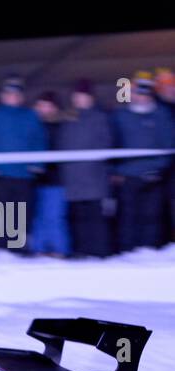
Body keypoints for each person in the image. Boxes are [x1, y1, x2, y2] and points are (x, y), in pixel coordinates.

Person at [0, 77, 47, 253]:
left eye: (15, 94)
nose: (12, 97)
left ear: (21, 96)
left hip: (24, 174)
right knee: (2, 212)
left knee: (23, 213)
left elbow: (38, 140)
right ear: (3, 96)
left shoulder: (31, 116)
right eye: (8, 94)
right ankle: (1, 249)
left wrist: (37, 163)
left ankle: (20, 247)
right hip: (1, 174)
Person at [112, 75, 174, 251]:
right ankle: (127, 251)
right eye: (138, 94)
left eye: (146, 95)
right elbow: (112, 142)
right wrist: (115, 170)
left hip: (153, 177)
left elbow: (168, 144)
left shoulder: (162, 116)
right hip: (127, 176)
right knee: (127, 216)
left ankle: (148, 251)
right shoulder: (120, 116)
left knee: (152, 215)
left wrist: (158, 169)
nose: (142, 98)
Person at [59, 80, 114, 257]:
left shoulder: (100, 118)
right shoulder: (68, 119)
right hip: (73, 179)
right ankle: (81, 250)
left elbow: (106, 144)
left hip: (94, 178)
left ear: (90, 98)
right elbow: (62, 146)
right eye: (76, 96)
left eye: (82, 96)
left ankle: (99, 252)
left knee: (95, 218)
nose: (79, 100)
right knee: (77, 217)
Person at [30, 92, 70, 256]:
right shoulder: (32, 125)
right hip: (35, 178)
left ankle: (59, 249)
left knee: (54, 216)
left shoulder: (62, 127)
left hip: (56, 179)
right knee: (38, 216)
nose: (43, 109)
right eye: (40, 105)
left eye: (47, 106)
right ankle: (39, 249)